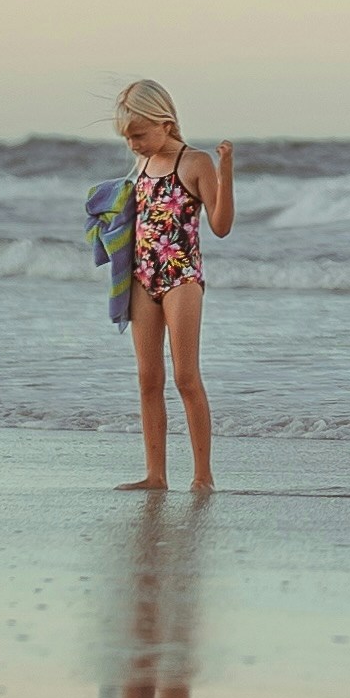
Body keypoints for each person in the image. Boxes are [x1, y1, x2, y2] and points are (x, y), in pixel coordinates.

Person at [107, 80, 232, 491]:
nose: (134, 145)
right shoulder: (141, 165)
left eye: (139, 135)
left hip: (182, 277)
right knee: (148, 378)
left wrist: (225, 170)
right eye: (127, 138)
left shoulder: (193, 163)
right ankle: (155, 475)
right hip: (143, 278)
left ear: (165, 123)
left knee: (185, 377)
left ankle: (203, 476)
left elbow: (221, 226)